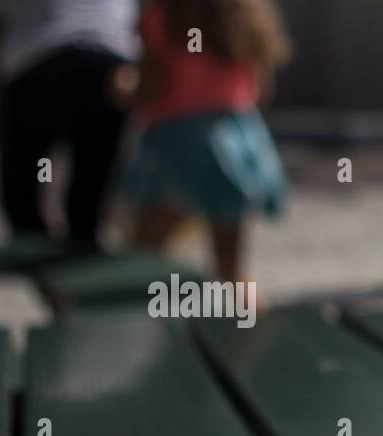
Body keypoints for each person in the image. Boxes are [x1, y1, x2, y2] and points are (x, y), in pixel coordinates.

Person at [123, 0, 289, 284]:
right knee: (232, 271)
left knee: (140, 259)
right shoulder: (246, 16)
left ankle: (142, 323)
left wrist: (120, 87)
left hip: (179, 144)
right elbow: (262, 88)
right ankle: (251, 325)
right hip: (237, 143)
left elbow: (147, 89)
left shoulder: (164, 18)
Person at [0, 0, 140, 248]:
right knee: (88, 191)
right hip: (111, 65)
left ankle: (40, 254)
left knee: (22, 186)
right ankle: (75, 251)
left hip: (37, 62)